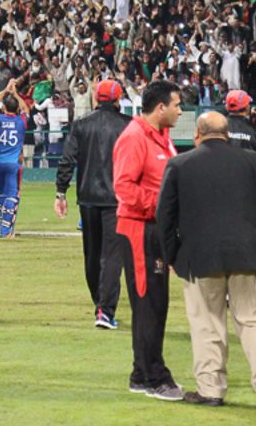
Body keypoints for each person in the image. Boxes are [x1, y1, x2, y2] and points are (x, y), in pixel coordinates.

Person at [156, 111, 256, 408]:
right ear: (227, 134)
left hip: (199, 256)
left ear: (197, 135)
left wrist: (172, 255)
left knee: (207, 323)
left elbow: (165, 216)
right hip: (247, 253)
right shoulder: (252, 161)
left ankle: (211, 390)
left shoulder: (179, 164)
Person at [113, 79, 184, 401]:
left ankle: (141, 374)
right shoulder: (134, 137)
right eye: (176, 105)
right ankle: (155, 377)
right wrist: (162, 205)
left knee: (156, 302)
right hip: (139, 229)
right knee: (148, 303)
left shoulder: (162, 137)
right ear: (160, 107)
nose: (180, 111)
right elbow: (124, 187)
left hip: (154, 228)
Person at [55, 79, 131, 330]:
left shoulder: (81, 124)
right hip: (116, 200)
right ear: (118, 99)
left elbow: (67, 159)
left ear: (96, 98)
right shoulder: (128, 125)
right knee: (112, 256)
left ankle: (99, 302)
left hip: (87, 198)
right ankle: (105, 311)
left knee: (92, 255)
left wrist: (61, 192)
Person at [0, 78, 31, 237]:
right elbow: (26, 108)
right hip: (13, 164)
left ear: (4, 107)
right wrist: (16, 94)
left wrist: (6, 90)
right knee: (12, 196)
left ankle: (5, 225)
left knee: (2, 195)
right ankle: (5, 231)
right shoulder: (21, 121)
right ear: (17, 108)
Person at [223, 90, 256, 194]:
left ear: (227, 107)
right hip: (250, 193)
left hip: (222, 191)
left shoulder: (217, 131)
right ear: (247, 107)